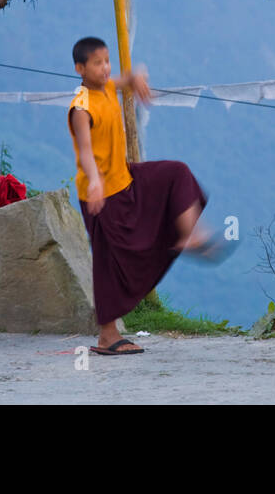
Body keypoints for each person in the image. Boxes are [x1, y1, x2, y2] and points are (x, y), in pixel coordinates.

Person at [68, 37, 218, 356]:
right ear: (80, 69)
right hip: (101, 195)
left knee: (176, 173)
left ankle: (190, 234)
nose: (105, 68)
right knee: (109, 263)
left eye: (107, 61)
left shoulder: (107, 85)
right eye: (97, 63)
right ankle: (107, 336)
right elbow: (85, 152)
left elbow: (123, 80)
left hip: (126, 177)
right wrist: (94, 182)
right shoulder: (81, 108)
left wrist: (135, 78)